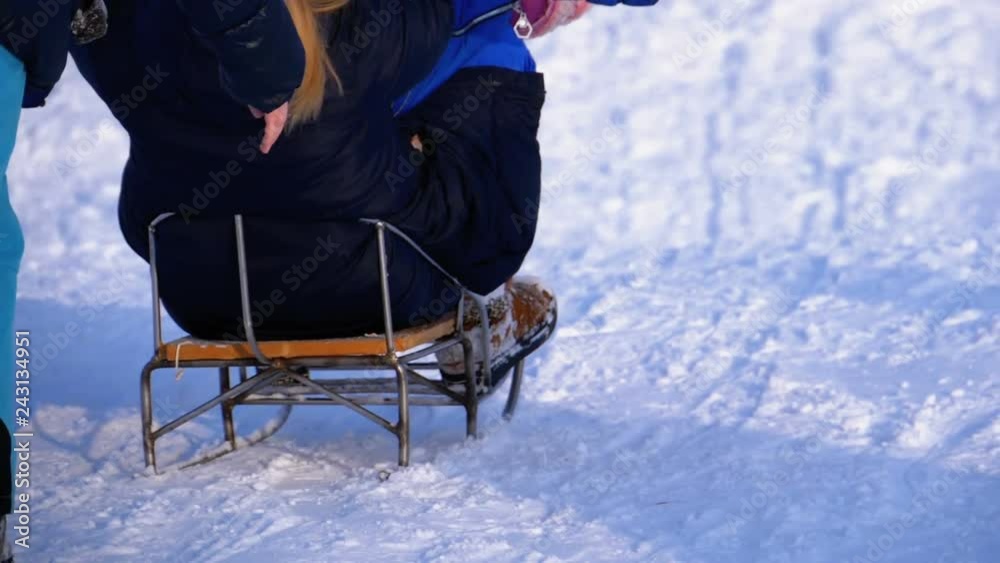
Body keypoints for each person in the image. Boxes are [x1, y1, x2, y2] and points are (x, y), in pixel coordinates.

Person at [71, 0, 567, 380]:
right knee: (491, 35)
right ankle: (483, 306)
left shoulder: (134, 21)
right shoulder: (368, 22)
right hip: (376, 288)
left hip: (198, 288)